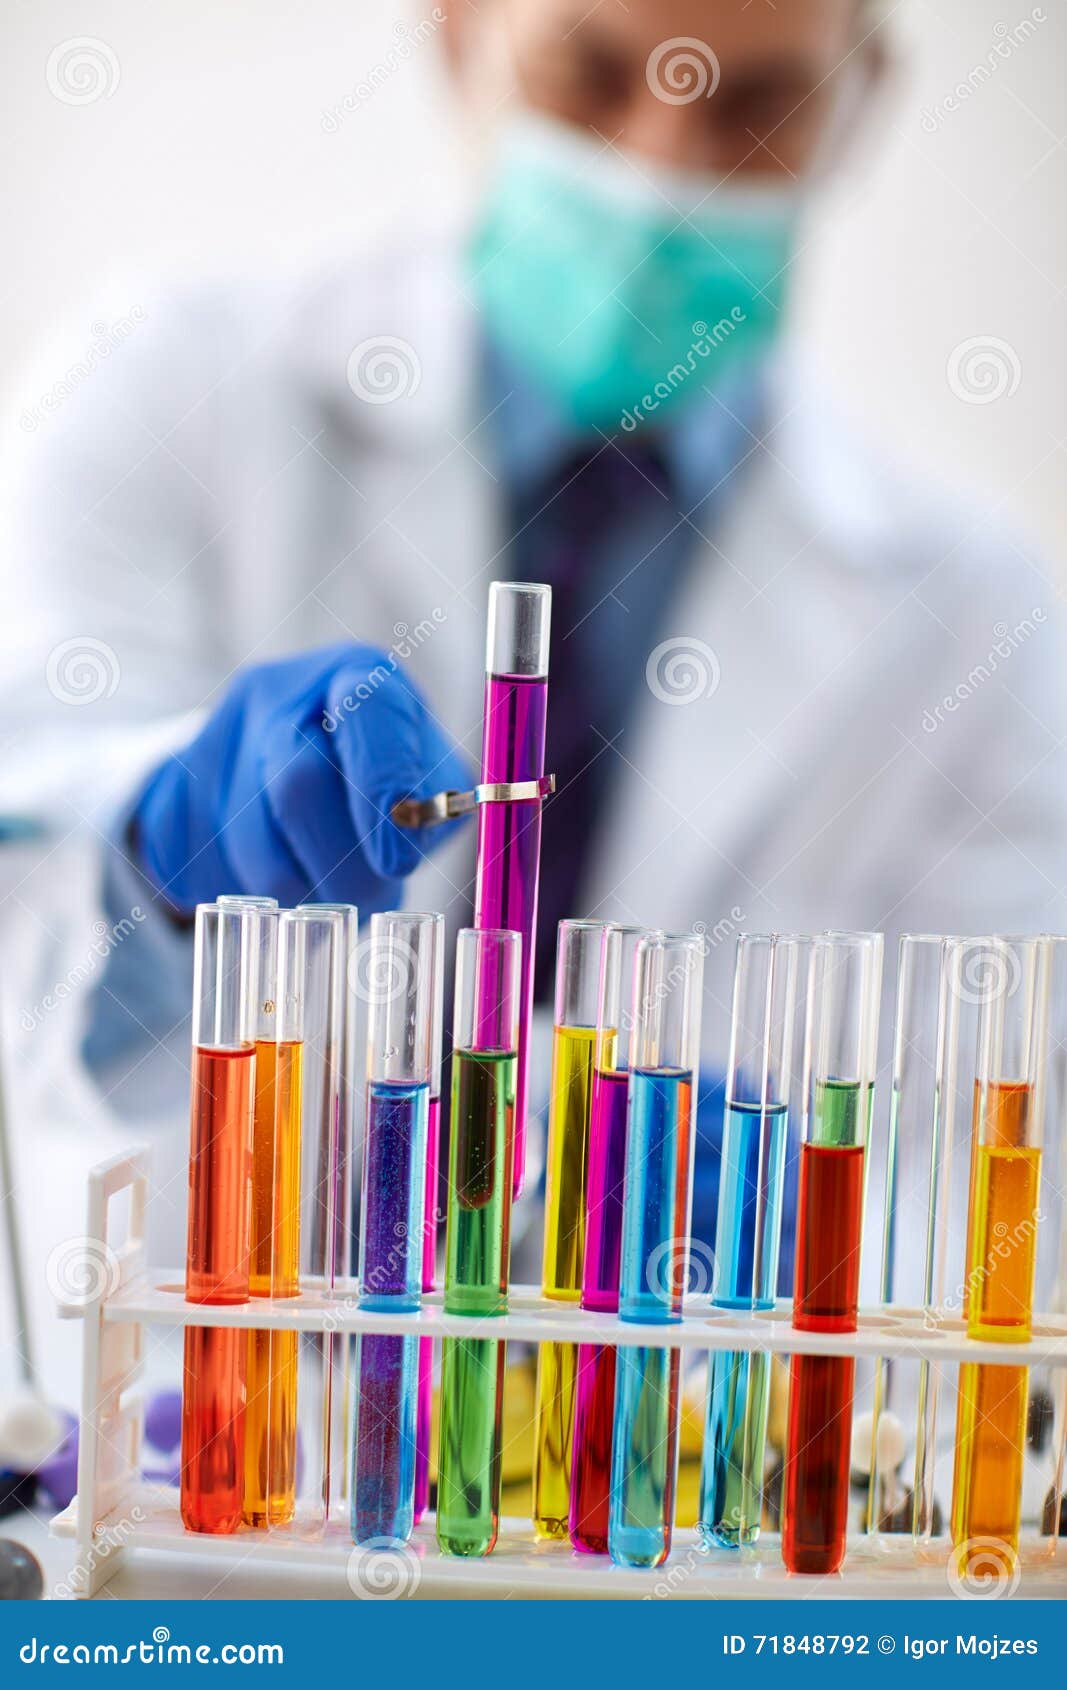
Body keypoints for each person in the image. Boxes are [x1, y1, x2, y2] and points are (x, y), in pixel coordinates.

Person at [3, 0, 1066, 1264]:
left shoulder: (969, 614)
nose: (658, 170)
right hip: (206, 1413)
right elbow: (29, 895)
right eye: (588, 72)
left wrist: (810, 1212)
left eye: (750, 109)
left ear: (859, 101)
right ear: (458, 33)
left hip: (688, 1435)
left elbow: (1002, 1176)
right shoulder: (168, 386)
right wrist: (154, 863)